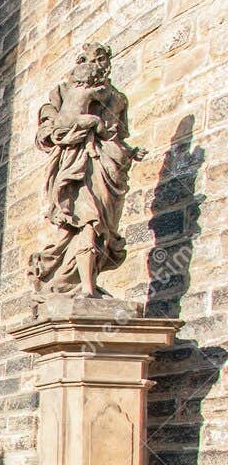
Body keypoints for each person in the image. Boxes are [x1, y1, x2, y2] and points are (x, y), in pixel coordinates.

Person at [28, 41, 147, 298]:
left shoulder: (118, 99)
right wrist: (74, 128)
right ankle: (80, 286)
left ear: (107, 63)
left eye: (101, 59)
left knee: (104, 226)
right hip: (75, 163)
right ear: (81, 62)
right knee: (84, 220)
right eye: (90, 59)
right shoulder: (62, 92)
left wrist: (128, 151)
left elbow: (117, 135)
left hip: (107, 166)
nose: (96, 64)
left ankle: (87, 281)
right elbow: (46, 133)